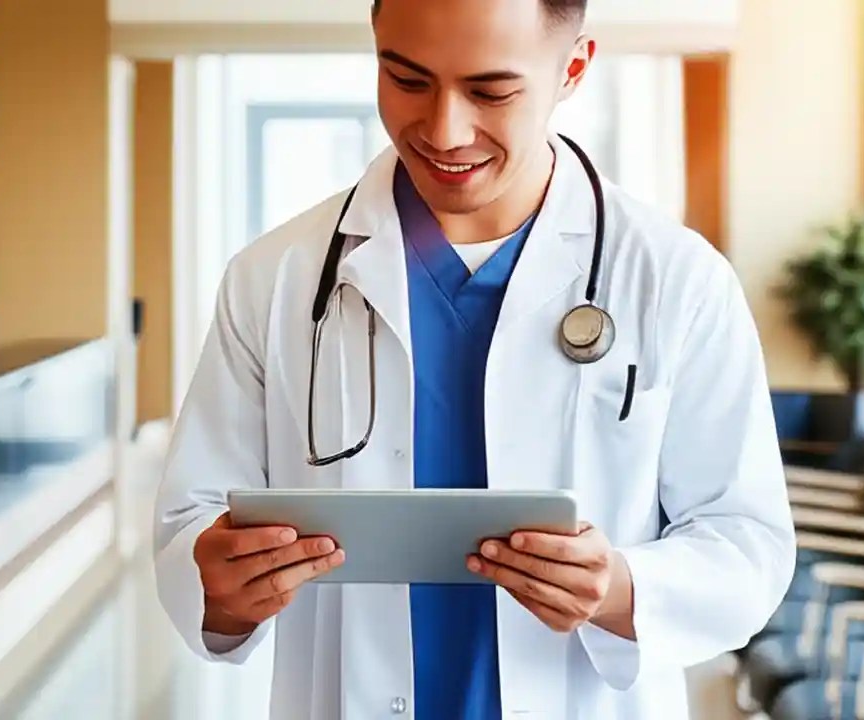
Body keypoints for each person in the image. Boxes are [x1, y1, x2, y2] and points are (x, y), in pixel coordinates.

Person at [154, 0, 796, 717]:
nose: (443, 130)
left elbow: (747, 545)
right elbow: (192, 519)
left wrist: (616, 585)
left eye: (490, 91)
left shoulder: (676, 280)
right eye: (406, 79)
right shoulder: (275, 278)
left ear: (573, 68)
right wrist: (222, 587)